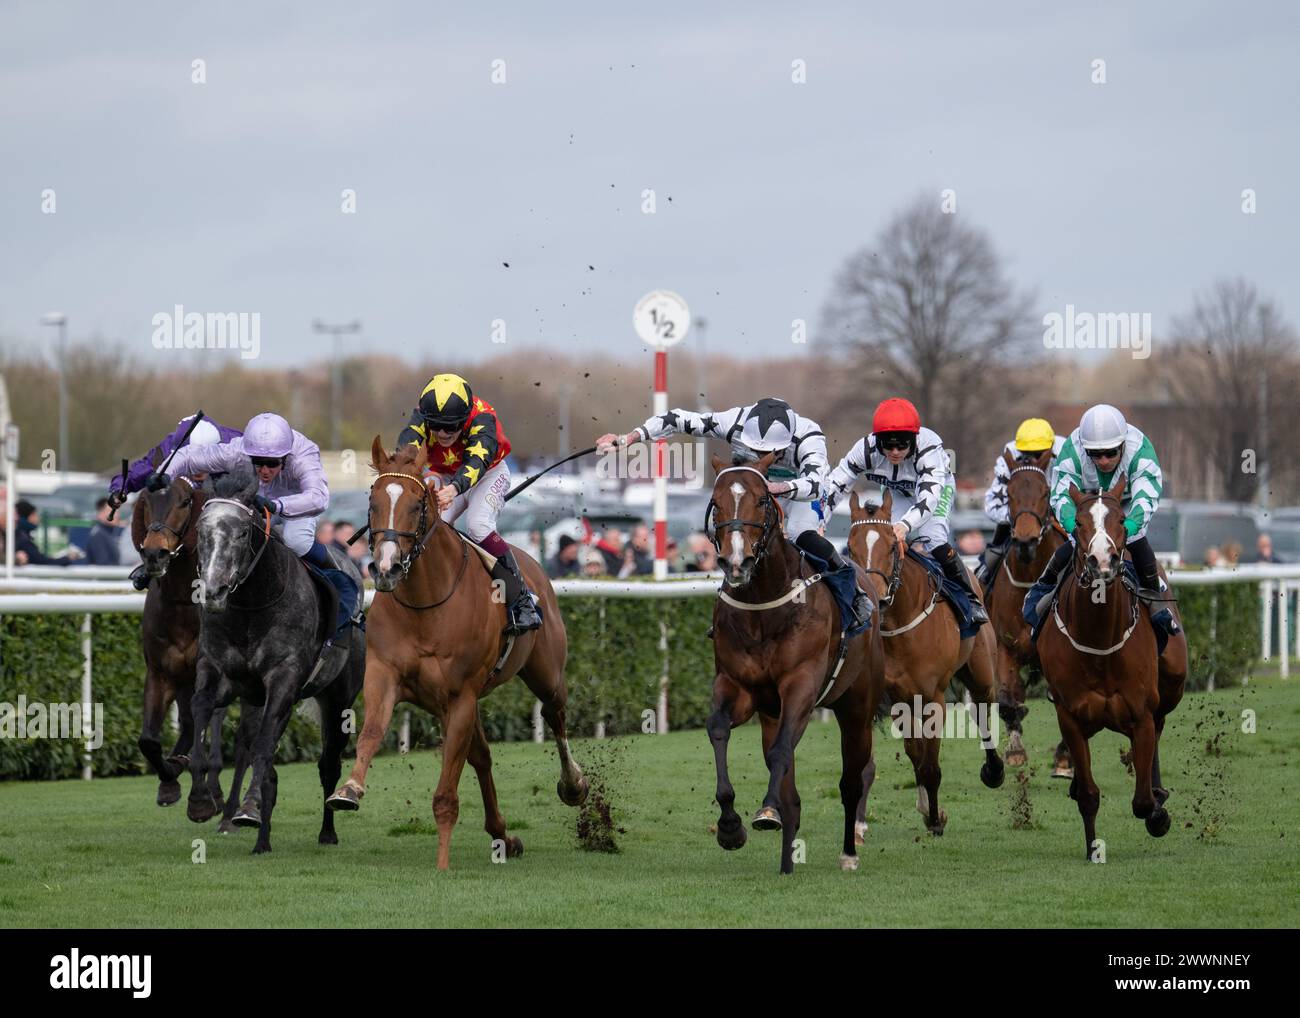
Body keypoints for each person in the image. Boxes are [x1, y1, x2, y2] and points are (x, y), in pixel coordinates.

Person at [597, 395, 872, 627]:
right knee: (736, 530)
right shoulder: (734, 421)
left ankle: (853, 592)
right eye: (753, 448)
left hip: (798, 489)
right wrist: (629, 438)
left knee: (800, 534)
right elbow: (675, 418)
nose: (760, 454)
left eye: (771, 451)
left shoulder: (809, 435)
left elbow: (814, 484)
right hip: (752, 489)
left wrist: (776, 489)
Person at [148, 412, 359, 640]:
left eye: (272, 464)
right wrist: (164, 475)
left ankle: (335, 573)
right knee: (224, 531)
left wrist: (277, 505)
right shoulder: (237, 451)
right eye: (258, 463)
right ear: (249, 454)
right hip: (255, 501)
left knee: (296, 541)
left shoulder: (303, 455)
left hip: (295, 504)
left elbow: (318, 498)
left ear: (286, 457)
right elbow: (190, 456)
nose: (265, 470)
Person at [397, 373, 541, 635]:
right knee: (431, 526)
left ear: (464, 419)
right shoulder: (421, 415)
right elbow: (406, 451)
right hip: (448, 474)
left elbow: (476, 463)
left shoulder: (484, 418)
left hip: (488, 473)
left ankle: (522, 599)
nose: (442, 433)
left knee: (478, 526)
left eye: (450, 427)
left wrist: (453, 489)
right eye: (436, 426)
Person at [823, 396, 988, 625]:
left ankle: (970, 599)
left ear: (914, 439)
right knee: (885, 541)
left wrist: (905, 526)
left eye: (902, 445)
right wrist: (821, 520)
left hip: (933, 492)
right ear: (876, 440)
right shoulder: (865, 449)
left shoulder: (929, 448)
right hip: (897, 491)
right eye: (888, 445)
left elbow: (927, 500)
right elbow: (834, 486)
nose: (895, 451)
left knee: (934, 539)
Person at [1021, 403, 1176, 640]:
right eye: (1095, 454)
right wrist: (1075, 528)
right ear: (1085, 449)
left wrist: (1128, 527)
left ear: (1123, 444)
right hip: (1088, 509)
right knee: (1077, 544)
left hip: (1124, 507)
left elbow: (1146, 497)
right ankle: (1042, 592)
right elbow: (1061, 496)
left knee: (1135, 538)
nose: (1103, 460)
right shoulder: (1073, 450)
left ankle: (1156, 601)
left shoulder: (1140, 450)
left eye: (1111, 453)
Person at [116, 416, 240, 589]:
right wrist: (119, 489)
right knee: (160, 497)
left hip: (236, 487)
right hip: (188, 488)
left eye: (204, 460)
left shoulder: (235, 443)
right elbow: (139, 470)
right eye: (193, 460)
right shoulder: (169, 448)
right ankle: (150, 560)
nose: (198, 467)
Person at [977, 417, 1065, 586]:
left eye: (1038, 454)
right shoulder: (1008, 458)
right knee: (992, 556)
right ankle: (983, 580)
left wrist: (1051, 516)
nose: (1031, 458)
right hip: (1019, 517)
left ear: (1050, 449)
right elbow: (992, 505)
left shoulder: (1065, 455)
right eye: (1026, 453)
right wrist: (1022, 519)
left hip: (1058, 515)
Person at [12, 500, 77, 566]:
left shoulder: (20, 536)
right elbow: (42, 561)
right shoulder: (22, 539)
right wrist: (66, 559)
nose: (38, 519)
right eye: (34, 515)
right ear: (27, 516)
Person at [85, 498, 123, 565]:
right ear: (100, 514)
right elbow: (103, 566)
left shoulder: (108, 532)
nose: (116, 515)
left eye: (117, 511)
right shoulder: (98, 535)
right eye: (111, 511)